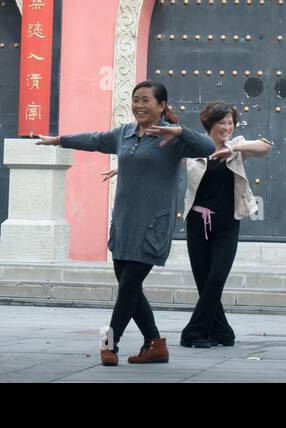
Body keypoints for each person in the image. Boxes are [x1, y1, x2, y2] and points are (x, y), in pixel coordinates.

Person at [36, 80, 214, 366]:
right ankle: (154, 343)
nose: (139, 105)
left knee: (129, 284)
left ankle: (110, 343)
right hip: (124, 222)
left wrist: (180, 130)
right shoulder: (125, 133)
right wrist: (58, 140)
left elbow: (206, 146)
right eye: (135, 100)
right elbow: (94, 140)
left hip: (154, 224)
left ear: (161, 105)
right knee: (130, 287)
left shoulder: (173, 138)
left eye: (146, 100)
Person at [105, 100, 272, 348]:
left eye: (231, 123)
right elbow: (159, 159)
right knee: (204, 282)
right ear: (210, 125)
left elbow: (265, 147)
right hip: (197, 222)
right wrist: (125, 168)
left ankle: (193, 332)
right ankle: (221, 331)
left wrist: (233, 150)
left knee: (216, 278)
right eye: (222, 123)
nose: (227, 127)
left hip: (227, 223)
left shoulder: (237, 146)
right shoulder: (195, 149)